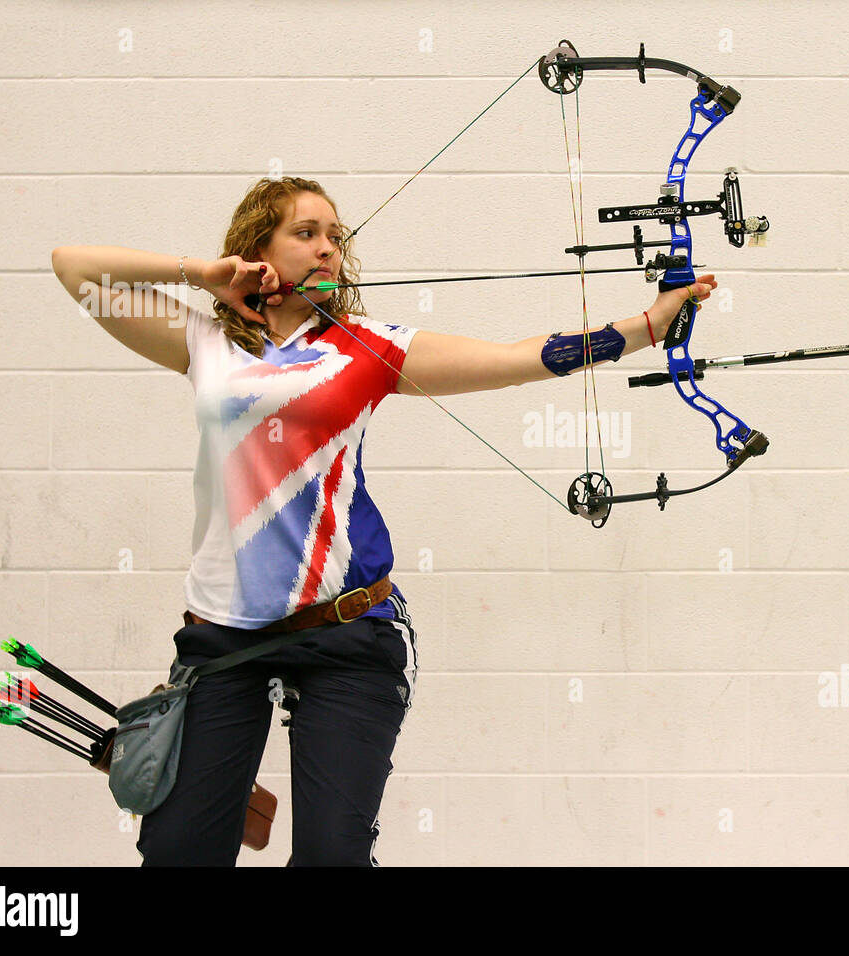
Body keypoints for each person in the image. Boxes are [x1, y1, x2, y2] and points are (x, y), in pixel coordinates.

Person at [50, 176, 716, 866]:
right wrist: (203, 275)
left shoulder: (366, 347)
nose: (328, 249)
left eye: (335, 237)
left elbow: (517, 359)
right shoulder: (205, 344)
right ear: (258, 249)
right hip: (224, 642)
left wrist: (645, 328)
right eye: (305, 234)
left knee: (332, 857)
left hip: (348, 633)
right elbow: (72, 265)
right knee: (179, 853)